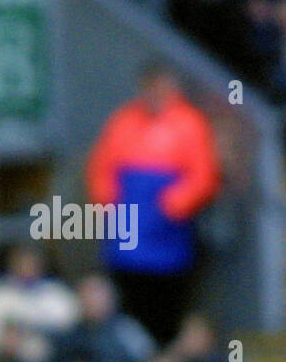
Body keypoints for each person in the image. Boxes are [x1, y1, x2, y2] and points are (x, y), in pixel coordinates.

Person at [85, 62, 220, 345]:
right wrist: (109, 202)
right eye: (150, 87)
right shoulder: (123, 120)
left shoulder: (190, 122)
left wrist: (172, 206)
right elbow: (101, 166)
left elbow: (203, 176)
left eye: (163, 87)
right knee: (125, 301)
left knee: (166, 304)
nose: (156, 94)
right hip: (128, 227)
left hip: (168, 233)